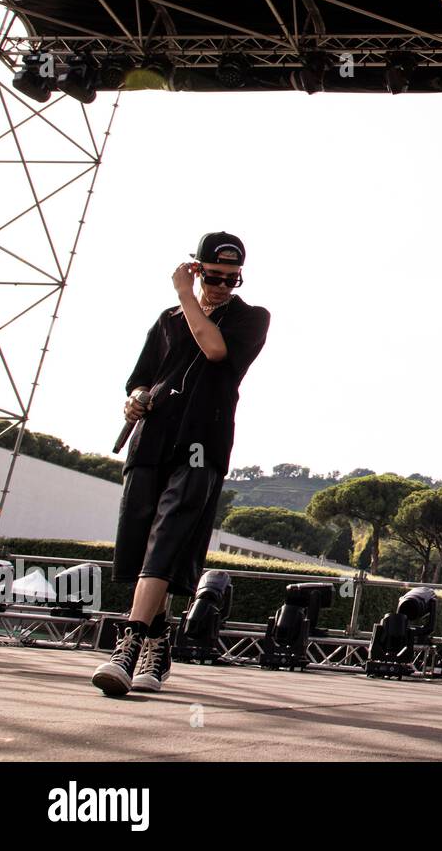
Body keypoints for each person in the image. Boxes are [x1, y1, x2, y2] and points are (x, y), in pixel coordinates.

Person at [92, 232, 270, 696]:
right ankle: (158, 639)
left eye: (232, 280)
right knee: (140, 543)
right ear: (197, 268)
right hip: (152, 441)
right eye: (214, 277)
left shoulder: (251, 319)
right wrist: (134, 401)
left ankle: (127, 644)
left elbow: (213, 349)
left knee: (168, 539)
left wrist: (185, 296)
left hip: (201, 444)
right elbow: (139, 378)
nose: (222, 287)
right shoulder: (168, 321)